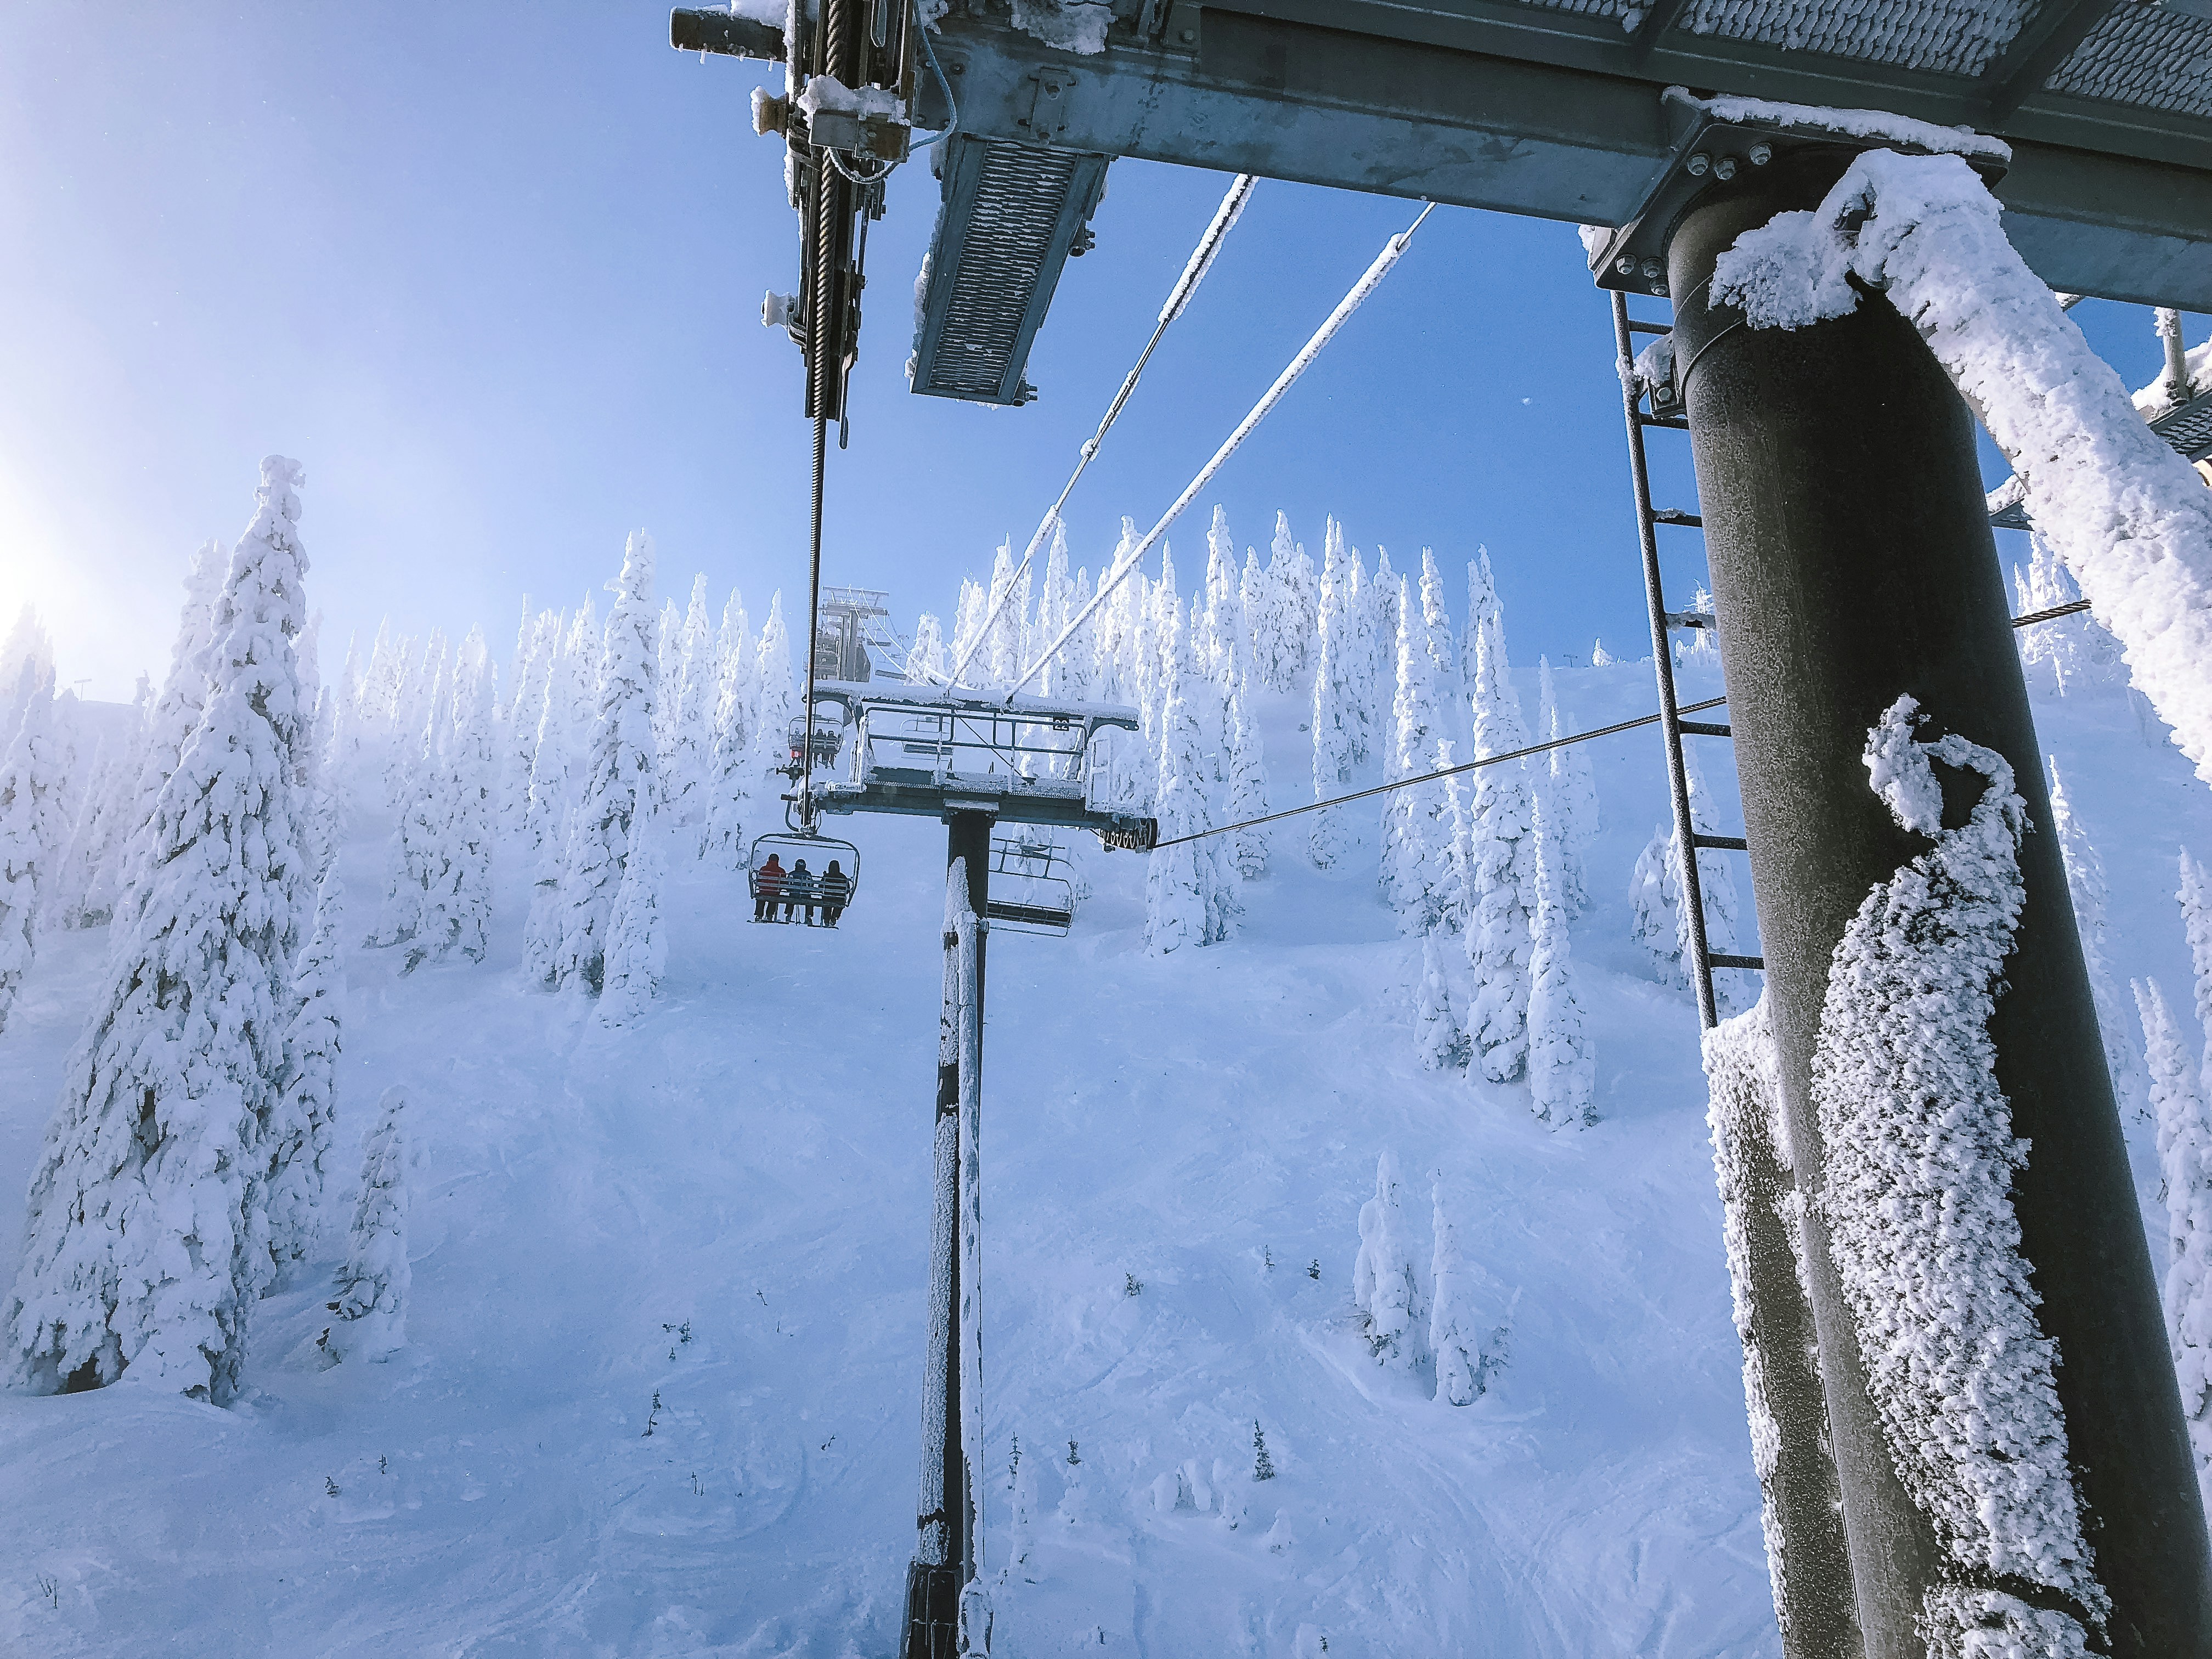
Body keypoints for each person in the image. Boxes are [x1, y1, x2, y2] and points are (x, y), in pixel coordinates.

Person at [819, 859, 851, 927]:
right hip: (839, 899)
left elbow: (820, 887)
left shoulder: (826, 877)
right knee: (839, 904)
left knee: (827, 904)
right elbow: (847, 890)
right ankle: (834, 917)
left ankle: (827, 919)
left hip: (827, 898)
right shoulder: (843, 877)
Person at [754, 853, 786, 922]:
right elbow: (783, 883)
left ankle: (759, 915)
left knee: (761, 898)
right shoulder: (781, 871)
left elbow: (759, 881)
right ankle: (769, 915)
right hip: (774, 893)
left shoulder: (763, 869)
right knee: (773, 899)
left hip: (763, 891)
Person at [783, 859, 816, 926]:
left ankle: (789, 914)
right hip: (805, 896)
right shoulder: (808, 874)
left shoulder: (792, 874)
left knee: (790, 900)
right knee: (810, 901)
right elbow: (810, 886)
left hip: (794, 895)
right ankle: (808, 916)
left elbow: (788, 886)